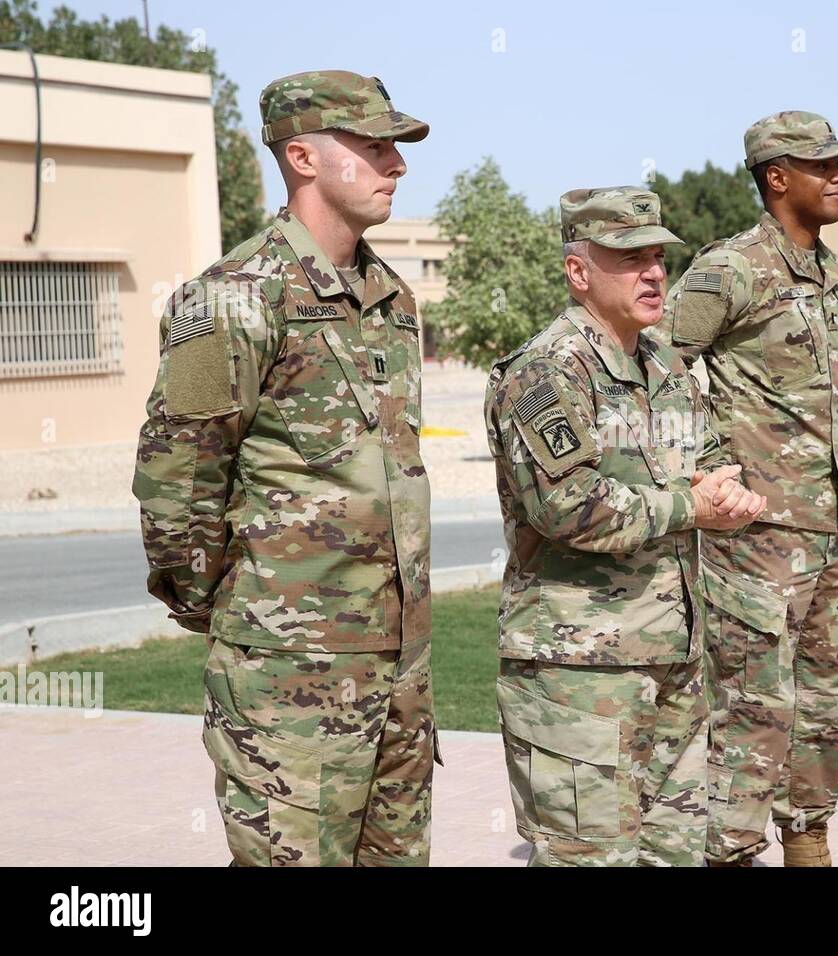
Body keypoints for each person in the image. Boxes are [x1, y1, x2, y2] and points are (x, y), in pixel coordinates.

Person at [132, 70, 438, 866]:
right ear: (302, 156)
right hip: (289, 685)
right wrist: (240, 618)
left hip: (400, 674)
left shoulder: (391, 299)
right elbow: (178, 480)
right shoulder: (234, 298)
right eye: (373, 147)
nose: (395, 165)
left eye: (395, 148)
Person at [484, 186, 766, 866]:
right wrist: (689, 505)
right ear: (578, 272)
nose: (653, 273)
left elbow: (712, 456)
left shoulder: (665, 363)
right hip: (578, 677)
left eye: (658, 258)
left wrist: (729, 495)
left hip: (670, 660)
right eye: (629, 258)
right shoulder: (546, 372)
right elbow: (568, 507)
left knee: (676, 856)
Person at [648, 111, 838, 866]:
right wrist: (710, 463)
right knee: (753, 711)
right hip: (754, 538)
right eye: (822, 164)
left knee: (826, 709)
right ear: (777, 177)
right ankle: (730, 852)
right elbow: (653, 363)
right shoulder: (731, 269)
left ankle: (809, 847)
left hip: (826, 530)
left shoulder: (831, 271)